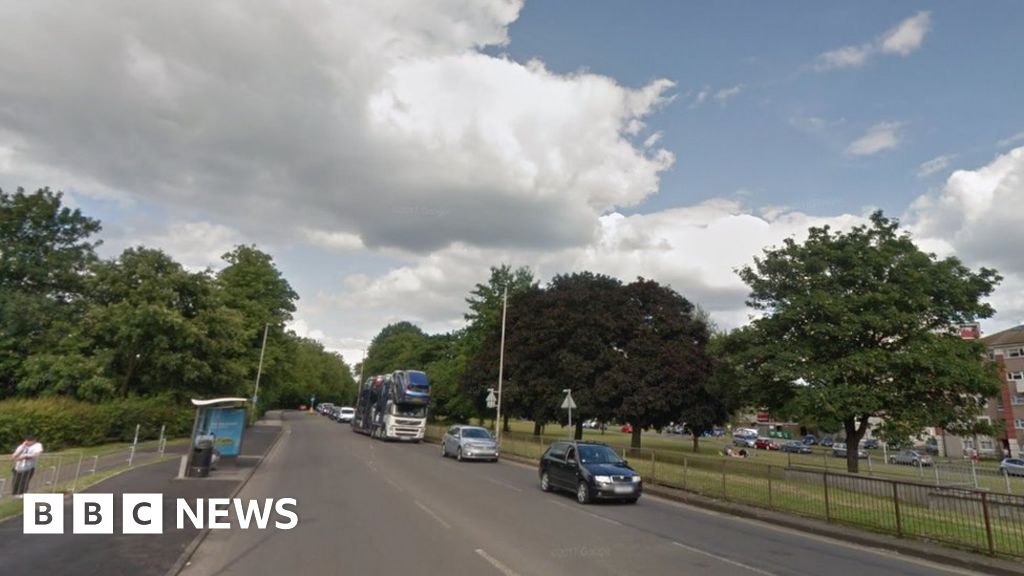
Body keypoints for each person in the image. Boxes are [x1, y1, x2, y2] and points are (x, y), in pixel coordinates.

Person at [11, 434, 44, 498]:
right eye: (27, 440)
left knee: (24, 481)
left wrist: (26, 456)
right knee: (16, 481)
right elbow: (14, 456)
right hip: (18, 467)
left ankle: (23, 493)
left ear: (34, 440)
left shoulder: (37, 445)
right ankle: (15, 494)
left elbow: (36, 454)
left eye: (30, 441)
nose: (28, 442)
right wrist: (22, 447)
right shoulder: (22, 446)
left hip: (29, 467)